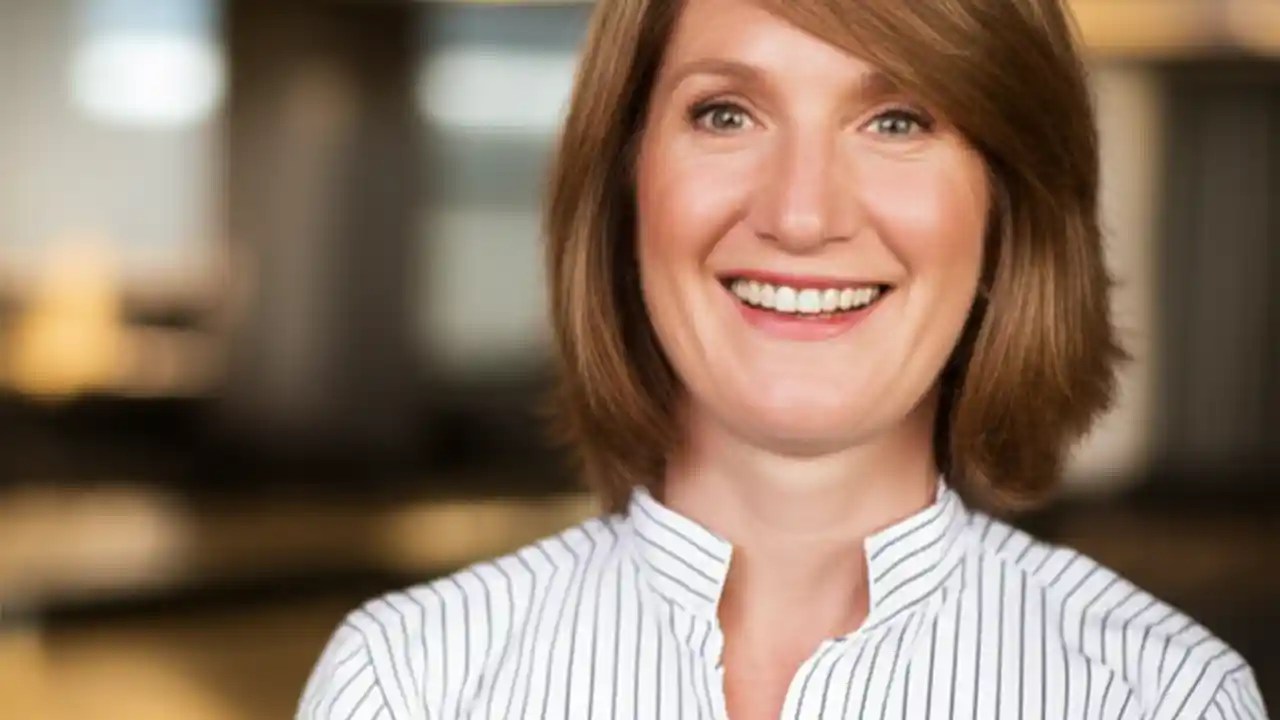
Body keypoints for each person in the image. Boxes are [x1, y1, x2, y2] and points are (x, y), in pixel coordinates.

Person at [297, 0, 1269, 717]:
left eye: (897, 120)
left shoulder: (1161, 697)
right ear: (626, 180)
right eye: (726, 113)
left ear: (1005, 208)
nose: (801, 215)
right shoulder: (409, 682)